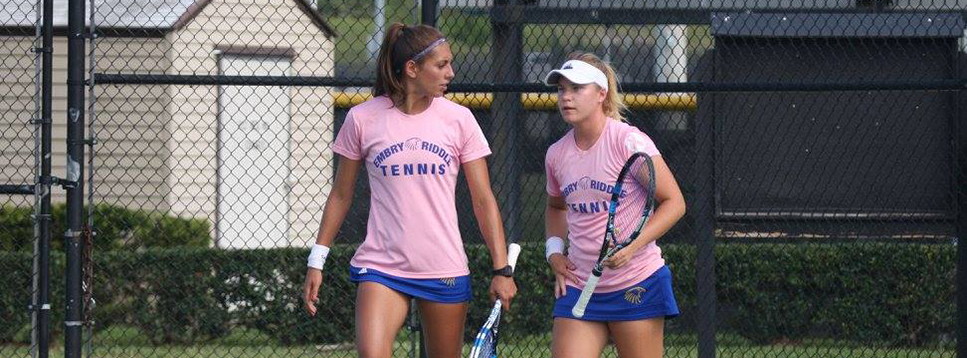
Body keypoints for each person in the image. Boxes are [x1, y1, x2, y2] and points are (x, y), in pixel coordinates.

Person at [302, 23, 517, 358]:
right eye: (441, 65)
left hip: (443, 267)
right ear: (412, 69)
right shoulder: (361, 119)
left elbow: (483, 199)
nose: (451, 72)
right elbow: (340, 195)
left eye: (450, 63)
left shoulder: (460, 119)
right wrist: (317, 261)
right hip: (381, 267)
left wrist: (501, 270)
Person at [542, 52, 686, 358]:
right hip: (579, 284)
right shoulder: (556, 154)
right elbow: (556, 207)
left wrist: (633, 247)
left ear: (601, 94)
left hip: (636, 281)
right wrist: (554, 253)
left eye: (577, 88)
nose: (566, 97)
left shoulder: (629, 142)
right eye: (561, 89)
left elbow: (674, 202)